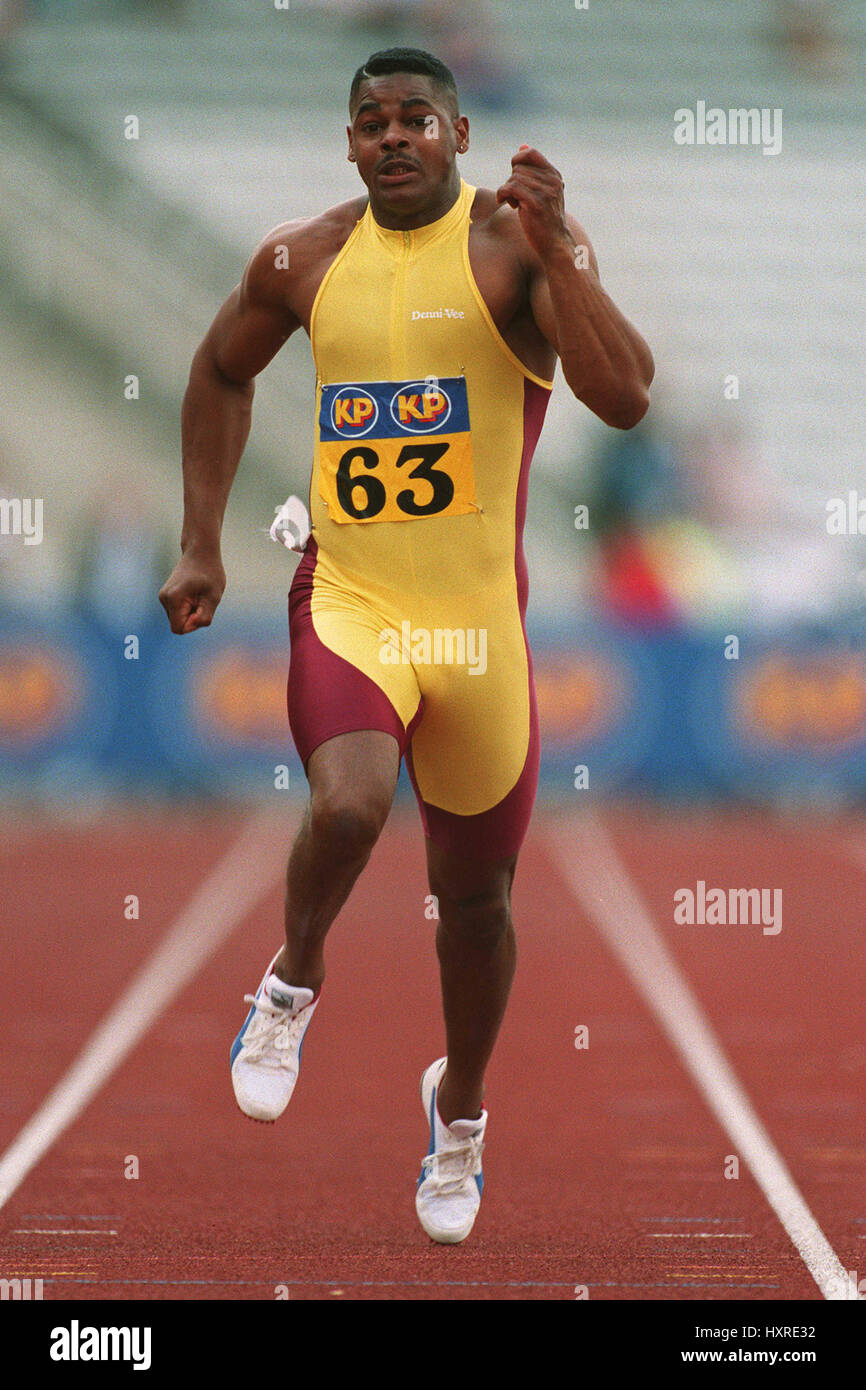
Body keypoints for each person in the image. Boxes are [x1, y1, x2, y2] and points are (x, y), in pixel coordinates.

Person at [158, 47, 653, 1245]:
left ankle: (460, 1114)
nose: (392, 137)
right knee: (346, 806)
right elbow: (221, 369)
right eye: (370, 121)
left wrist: (564, 247)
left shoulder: (510, 248)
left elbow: (624, 394)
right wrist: (201, 545)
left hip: (478, 629)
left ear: (460, 133)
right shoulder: (302, 258)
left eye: (415, 120)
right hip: (353, 597)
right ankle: (290, 980)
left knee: (473, 904)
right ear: (345, 142)